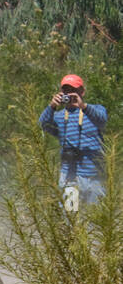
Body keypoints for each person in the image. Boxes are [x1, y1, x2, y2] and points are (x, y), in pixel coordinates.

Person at [39, 74, 107, 204]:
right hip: (70, 176)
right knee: (70, 218)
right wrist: (52, 106)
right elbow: (43, 125)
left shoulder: (95, 110)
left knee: (95, 219)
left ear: (82, 91)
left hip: (94, 176)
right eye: (66, 90)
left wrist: (83, 106)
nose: (69, 94)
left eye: (73, 90)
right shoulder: (59, 116)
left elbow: (102, 120)